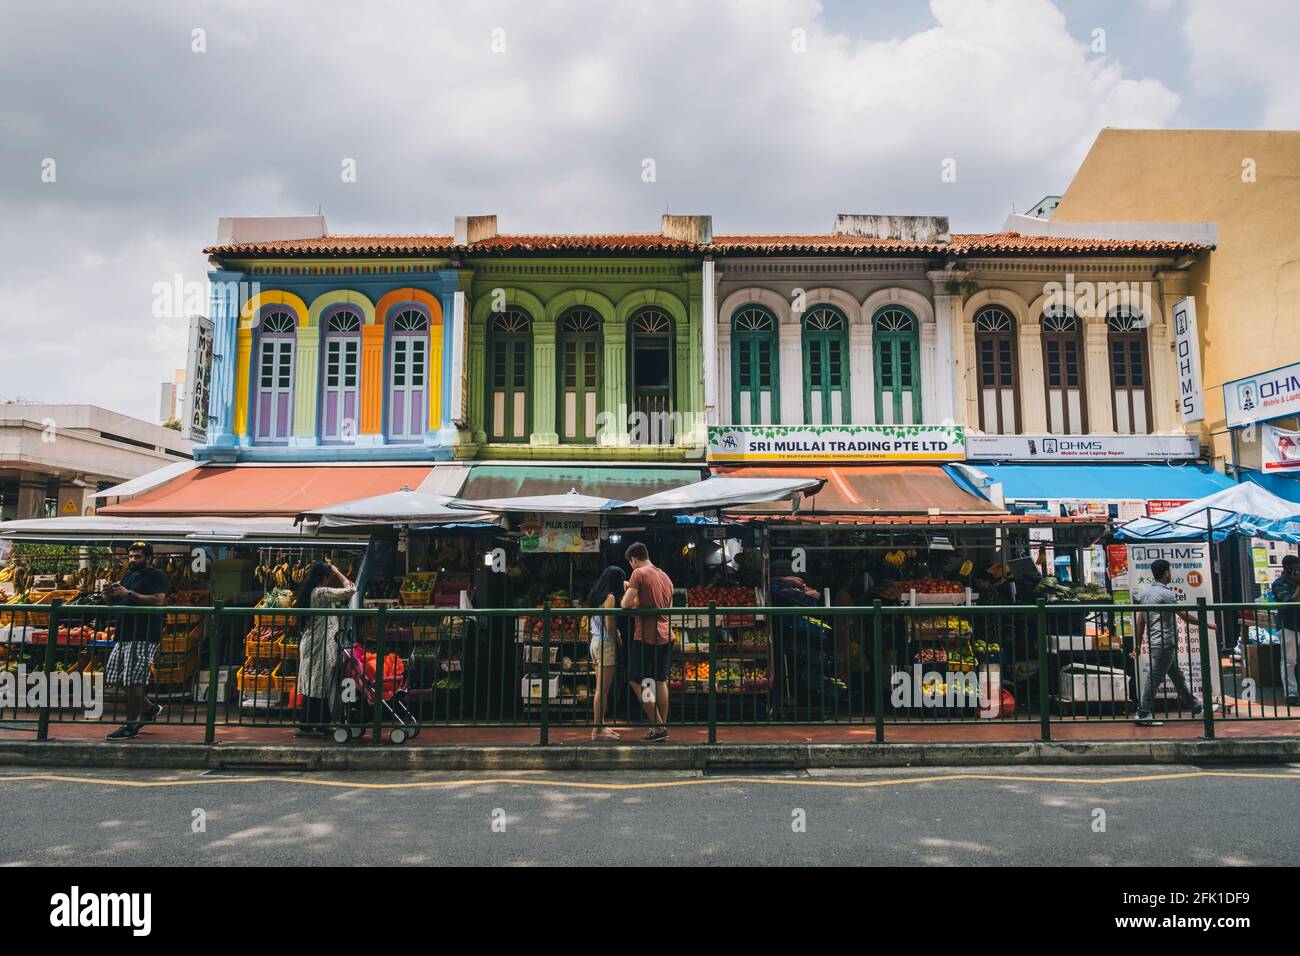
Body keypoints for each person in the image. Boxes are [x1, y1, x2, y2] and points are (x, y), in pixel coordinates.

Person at [1133, 558, 1214, 726]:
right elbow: (1184, 615)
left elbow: (1140, 620)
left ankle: (1196, 708)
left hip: (1156, 642)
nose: (1171, 574)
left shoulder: (1146, 593)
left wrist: (1139, 645)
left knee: (1177, 677)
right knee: (1154, 679)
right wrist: (1206, 624)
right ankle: (1143, 713)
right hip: (1165, 643)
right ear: (1166, 573)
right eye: (1169, 571)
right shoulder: (1166, 594)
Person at [103, 542, 170, 740]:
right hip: (123, 634)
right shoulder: (128, 576)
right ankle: (149, 708)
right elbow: (117, 601)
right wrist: (109, 595)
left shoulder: (156, 575)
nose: (132, 560)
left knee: (134, 680)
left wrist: (128, 593)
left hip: (144, 635)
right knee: (113, 677)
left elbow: (158, 600)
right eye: (131, 556)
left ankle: (130, 725)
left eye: (137, 556)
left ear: (148, 558)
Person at [293, 561, 355, 737]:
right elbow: (351, 589)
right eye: (329, 576)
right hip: (318, 645)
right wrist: (337, 572)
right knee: (317, 685)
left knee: (314, 684)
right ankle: (311, 724)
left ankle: (315, 723)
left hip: (313, 643)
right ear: (325, 577)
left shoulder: (309, 592)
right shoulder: (321, 592)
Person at [621, 542, 674, 742]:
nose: (632, 566)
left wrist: (627, 588)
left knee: (637, 681)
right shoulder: (665, 576)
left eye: (631, 563)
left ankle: (658, 726)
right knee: (659, 681)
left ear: (634, 559)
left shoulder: (639, 573)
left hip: (646, 636)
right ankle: (659, 726)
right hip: (666, 634)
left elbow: (625, 604)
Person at [586, 565, 625, 741]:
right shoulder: (610, 597)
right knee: (602, 690)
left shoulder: (596, 595)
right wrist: (617, 637)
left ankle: (601, 725)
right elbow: (610, 623)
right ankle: (597, 729)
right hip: (606, 644)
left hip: (595, 642)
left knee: (600, 688)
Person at [1268, 554, 1300, 706]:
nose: (1296, 572)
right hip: (1288, 626)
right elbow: (1290, 602)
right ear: (1286, 569)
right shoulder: (1279, 584)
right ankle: (1291, 694)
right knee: (1289, 661)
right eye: (1293, 569)